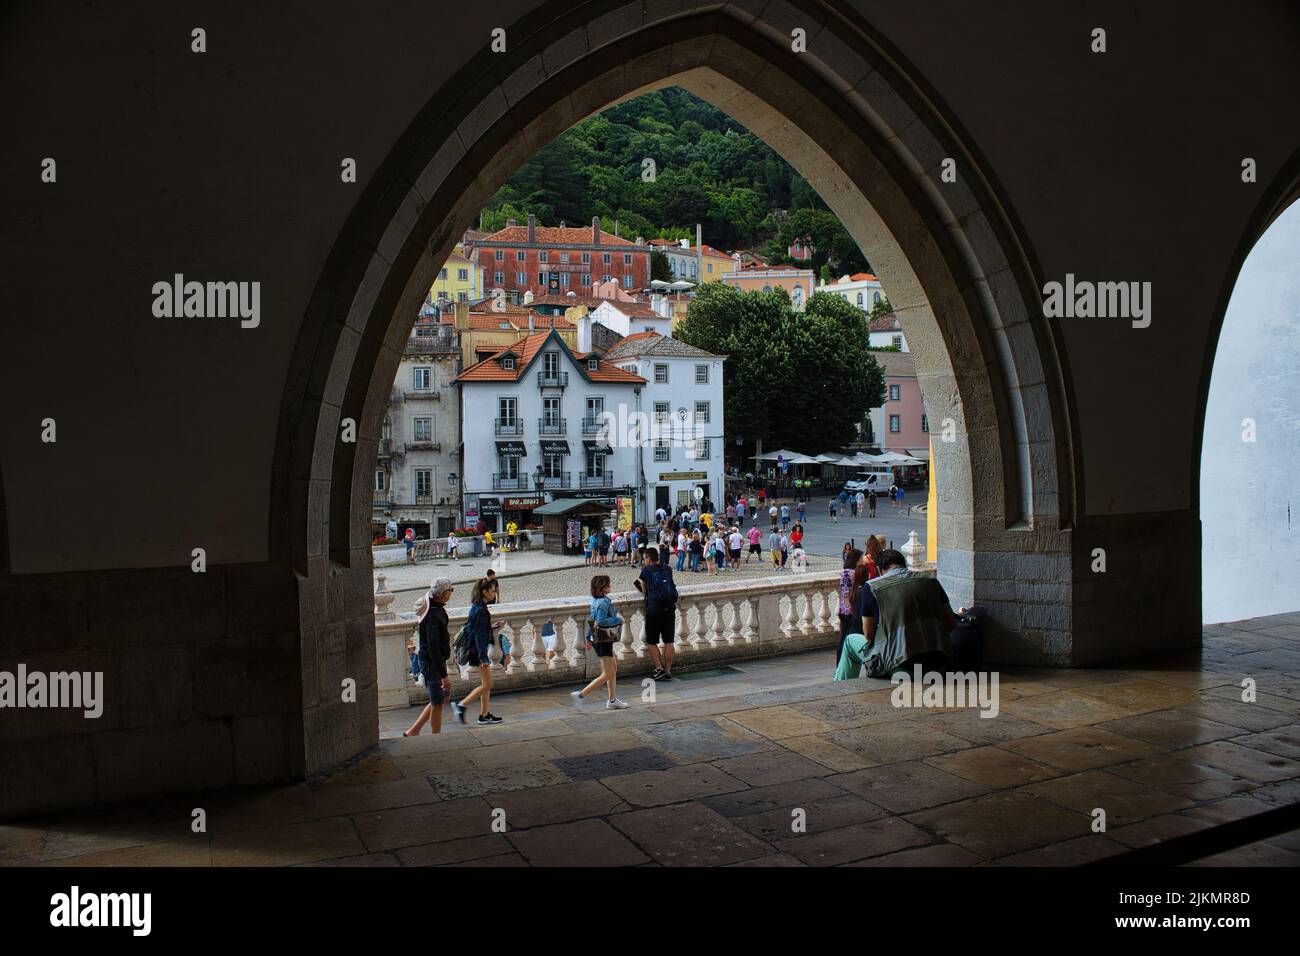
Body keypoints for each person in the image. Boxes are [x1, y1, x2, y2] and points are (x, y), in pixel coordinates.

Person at [854, 550, 961, 677]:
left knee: (850, 642)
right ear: (904, 564)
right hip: (939, 660)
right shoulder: (931, 580)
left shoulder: (872, 587)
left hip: (901, 665)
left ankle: (840, 681)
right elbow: (951, 623)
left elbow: (868, 634)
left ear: (879, 569)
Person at [403, 576, 454, 736]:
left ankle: (414, 731)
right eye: (451, 590)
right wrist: (444, 677)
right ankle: (435, 737)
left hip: (432, 662)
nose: (451, 593)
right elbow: (434, 648)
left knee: (437, 700)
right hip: (432, 664)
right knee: (437, 701)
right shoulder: (433, 614)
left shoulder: (433, 609)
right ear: (444, 593)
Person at [571, 575, 629, 709]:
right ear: (602, 588)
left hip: (600, 639)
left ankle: (612, 700)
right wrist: (618, 620)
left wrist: (588, 638)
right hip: (603, 641)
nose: (610, 586)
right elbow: (601, 621)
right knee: (607, 673)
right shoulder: (603, 602)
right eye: (608, 584)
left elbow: (593, 620)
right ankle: (580, 695)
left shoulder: (596, 601)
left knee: (613, 668)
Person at [452, 577, 504, 725]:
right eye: (492, 591)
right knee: (487, 685)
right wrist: (483, 658)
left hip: (474, 650)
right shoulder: (482, 610)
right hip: (478, 652)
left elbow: (477, 630)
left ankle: (484, 714)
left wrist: (491, 627)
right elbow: (480, 637)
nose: (494, 593)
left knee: (485, 684)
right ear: (484, 591)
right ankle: (462, 705)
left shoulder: (476, 607)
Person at [636, 546, 677, 681]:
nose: (644, 561)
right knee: (669, 641)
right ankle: (668, 671)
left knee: (651, 641)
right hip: (669, 608)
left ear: (648, 558)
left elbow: (644, 589)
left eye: (644, 559)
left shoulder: (646, 570)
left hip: (654, 609)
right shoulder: (667, 568)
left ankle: (659, 669)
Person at [836, 549, 863, 665]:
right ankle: (848, 664)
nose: (863, 561)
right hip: (852, 610)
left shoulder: (843, 573)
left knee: (843, 638)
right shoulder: (855, 574)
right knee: (852, 639)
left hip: (843, 609)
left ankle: (839, 665)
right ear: (856, 560)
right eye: (861, 559)